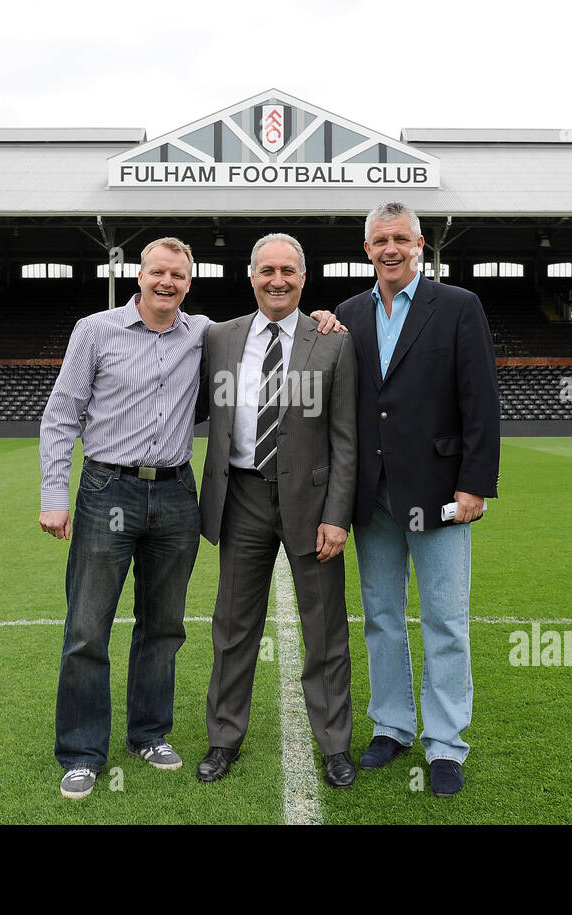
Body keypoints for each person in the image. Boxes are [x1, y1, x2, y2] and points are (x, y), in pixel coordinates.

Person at [39, 236, 344, 800]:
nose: (167, 283)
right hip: (107, 487)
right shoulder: (95, 330)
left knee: (164, 626)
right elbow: (61, 415)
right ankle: (82, 751)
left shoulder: (202, 335)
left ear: (190, 280)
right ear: (140, 275)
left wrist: (322, 315)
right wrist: (53, 493)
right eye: (158, 273)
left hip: (177, 492)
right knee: (87, 627)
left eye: (177, 276)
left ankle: (149, 734)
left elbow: (281, 331)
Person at [334, 201, 501, 798]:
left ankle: (447, 743)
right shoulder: (349, 314)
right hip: (372, 495)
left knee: (445, 621)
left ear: (420, 244)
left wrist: (475, 483)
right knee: (381, 616)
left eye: (401, 238)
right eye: (380, 239)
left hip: (437, 492)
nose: (391, 248)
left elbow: (480, 399)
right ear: (367, 249)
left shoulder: (458, 307)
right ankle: (393, 725)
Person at [194, 233, 358, 789]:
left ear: (304, 278)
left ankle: (335, 745)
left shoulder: (333, 341)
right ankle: (222, 739)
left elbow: (346, 438)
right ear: (251, 276)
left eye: (288, 270)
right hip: (240, 496)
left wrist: (337, 514)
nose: (278, 280)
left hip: (312, 505)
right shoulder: (218, 337)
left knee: (326, 629)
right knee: (234, 627)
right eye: (267, 270)